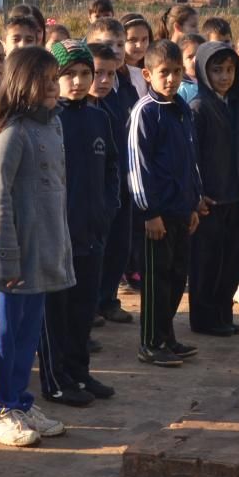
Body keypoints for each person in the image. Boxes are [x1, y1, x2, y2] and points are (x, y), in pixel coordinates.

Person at [0, 47, 75, 445]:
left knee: (27, 334)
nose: (54, 87)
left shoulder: (53, 126)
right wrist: (7, 259)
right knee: (3, 335)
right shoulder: (11, 134)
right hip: (8, 262)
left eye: (54, 79)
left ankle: (18, 401)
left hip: (41, 255)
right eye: (45, 80)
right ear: (22, 83)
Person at [41, 41, 120, 405]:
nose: (77, 81)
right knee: (57, 314)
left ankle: (80, 372)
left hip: (92, 233)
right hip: (57, 237)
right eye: (68, 74)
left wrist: (106, 211)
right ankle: (56, 379)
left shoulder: (98, 117)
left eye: (84, 74)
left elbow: (111, 171)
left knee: (83, 311)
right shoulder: (46, 120)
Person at [127, 40, 204, 367]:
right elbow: (137, 166)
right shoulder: (145, 112)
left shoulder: (182, 109)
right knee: (156, 280)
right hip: (156, 214)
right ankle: (150, 341)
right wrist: (149, 213)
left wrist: (194, 202)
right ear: (147, 74)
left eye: (176, 72)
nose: (171, 79)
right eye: (163, 73)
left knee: (176, 276)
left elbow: (191, 158)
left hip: (180, 210)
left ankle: (167, 335)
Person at [189, 41, 239, 336]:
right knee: (207, 261)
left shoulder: (238, 104)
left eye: (230, 70)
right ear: (203, 72)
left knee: (229, 261)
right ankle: (204, 319)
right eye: (217, 71)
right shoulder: (199, 107)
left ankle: (223, 314)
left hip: (235, 194)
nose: (225, 77)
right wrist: (197, 194)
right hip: (211, 199)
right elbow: (193, 156)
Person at [90, 42, 136, 326]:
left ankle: (108, 300)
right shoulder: (74, 111)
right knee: (94, 252)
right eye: (97, 73)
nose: (103, 80)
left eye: (110, 74)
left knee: (118, 246)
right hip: (89, 195)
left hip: (119, 187)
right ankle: (90, 305)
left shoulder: (120, 100)